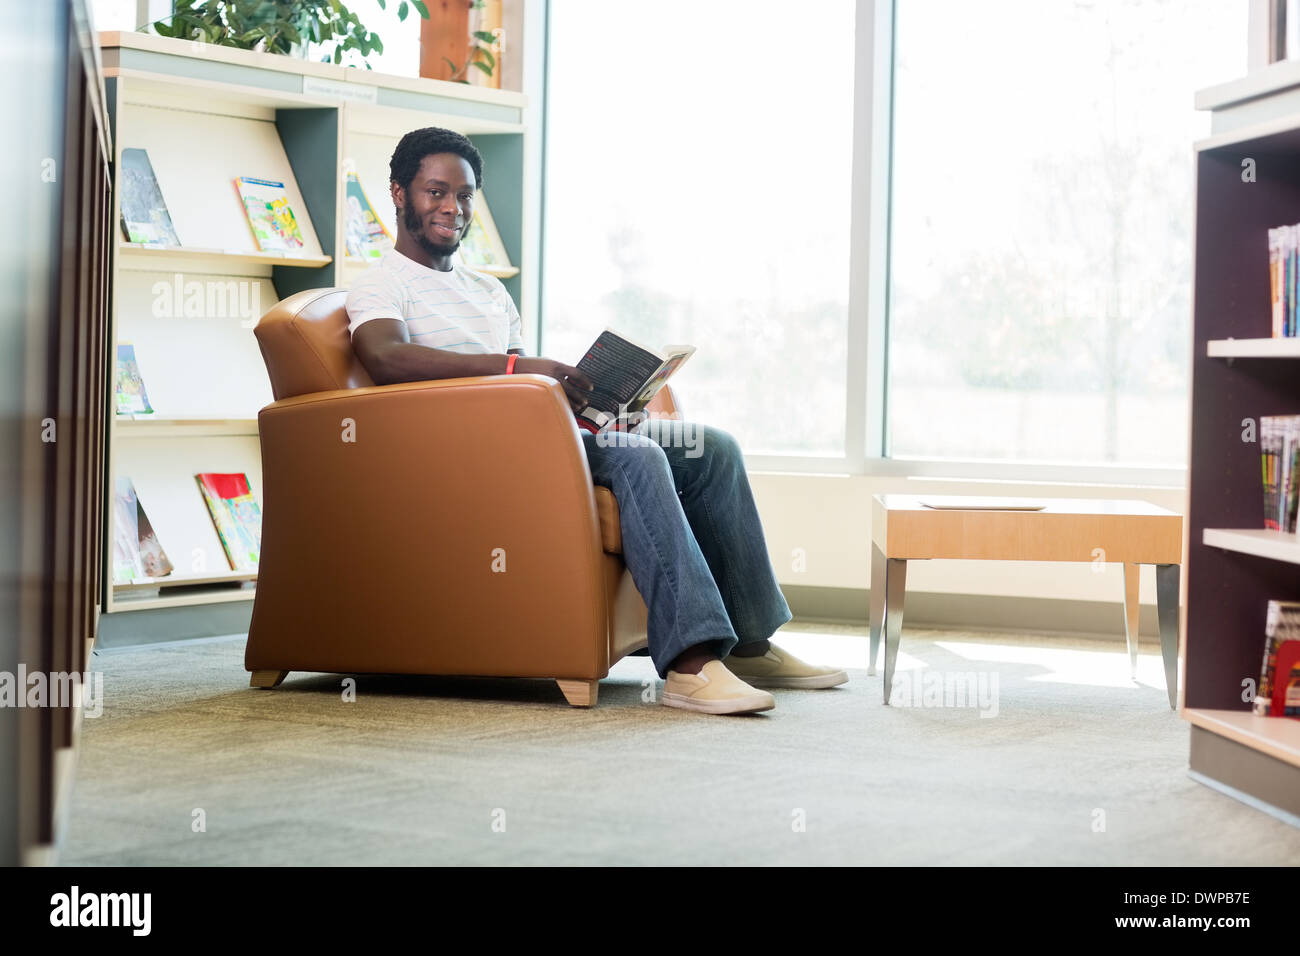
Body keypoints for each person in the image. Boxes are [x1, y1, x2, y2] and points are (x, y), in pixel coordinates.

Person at [345, 127, 848, 715]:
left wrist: (601, 410)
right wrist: (515, 366)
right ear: (399, 194)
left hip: (540, 433)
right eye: (435, 192)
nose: (452, 208)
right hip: (473, 454)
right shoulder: (381, 283)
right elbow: (384, 357)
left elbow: (526, 388)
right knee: (640, 458)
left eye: (465, 195)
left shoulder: (488, 292)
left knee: (711, 448)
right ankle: (690, 666)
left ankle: (752, 645)